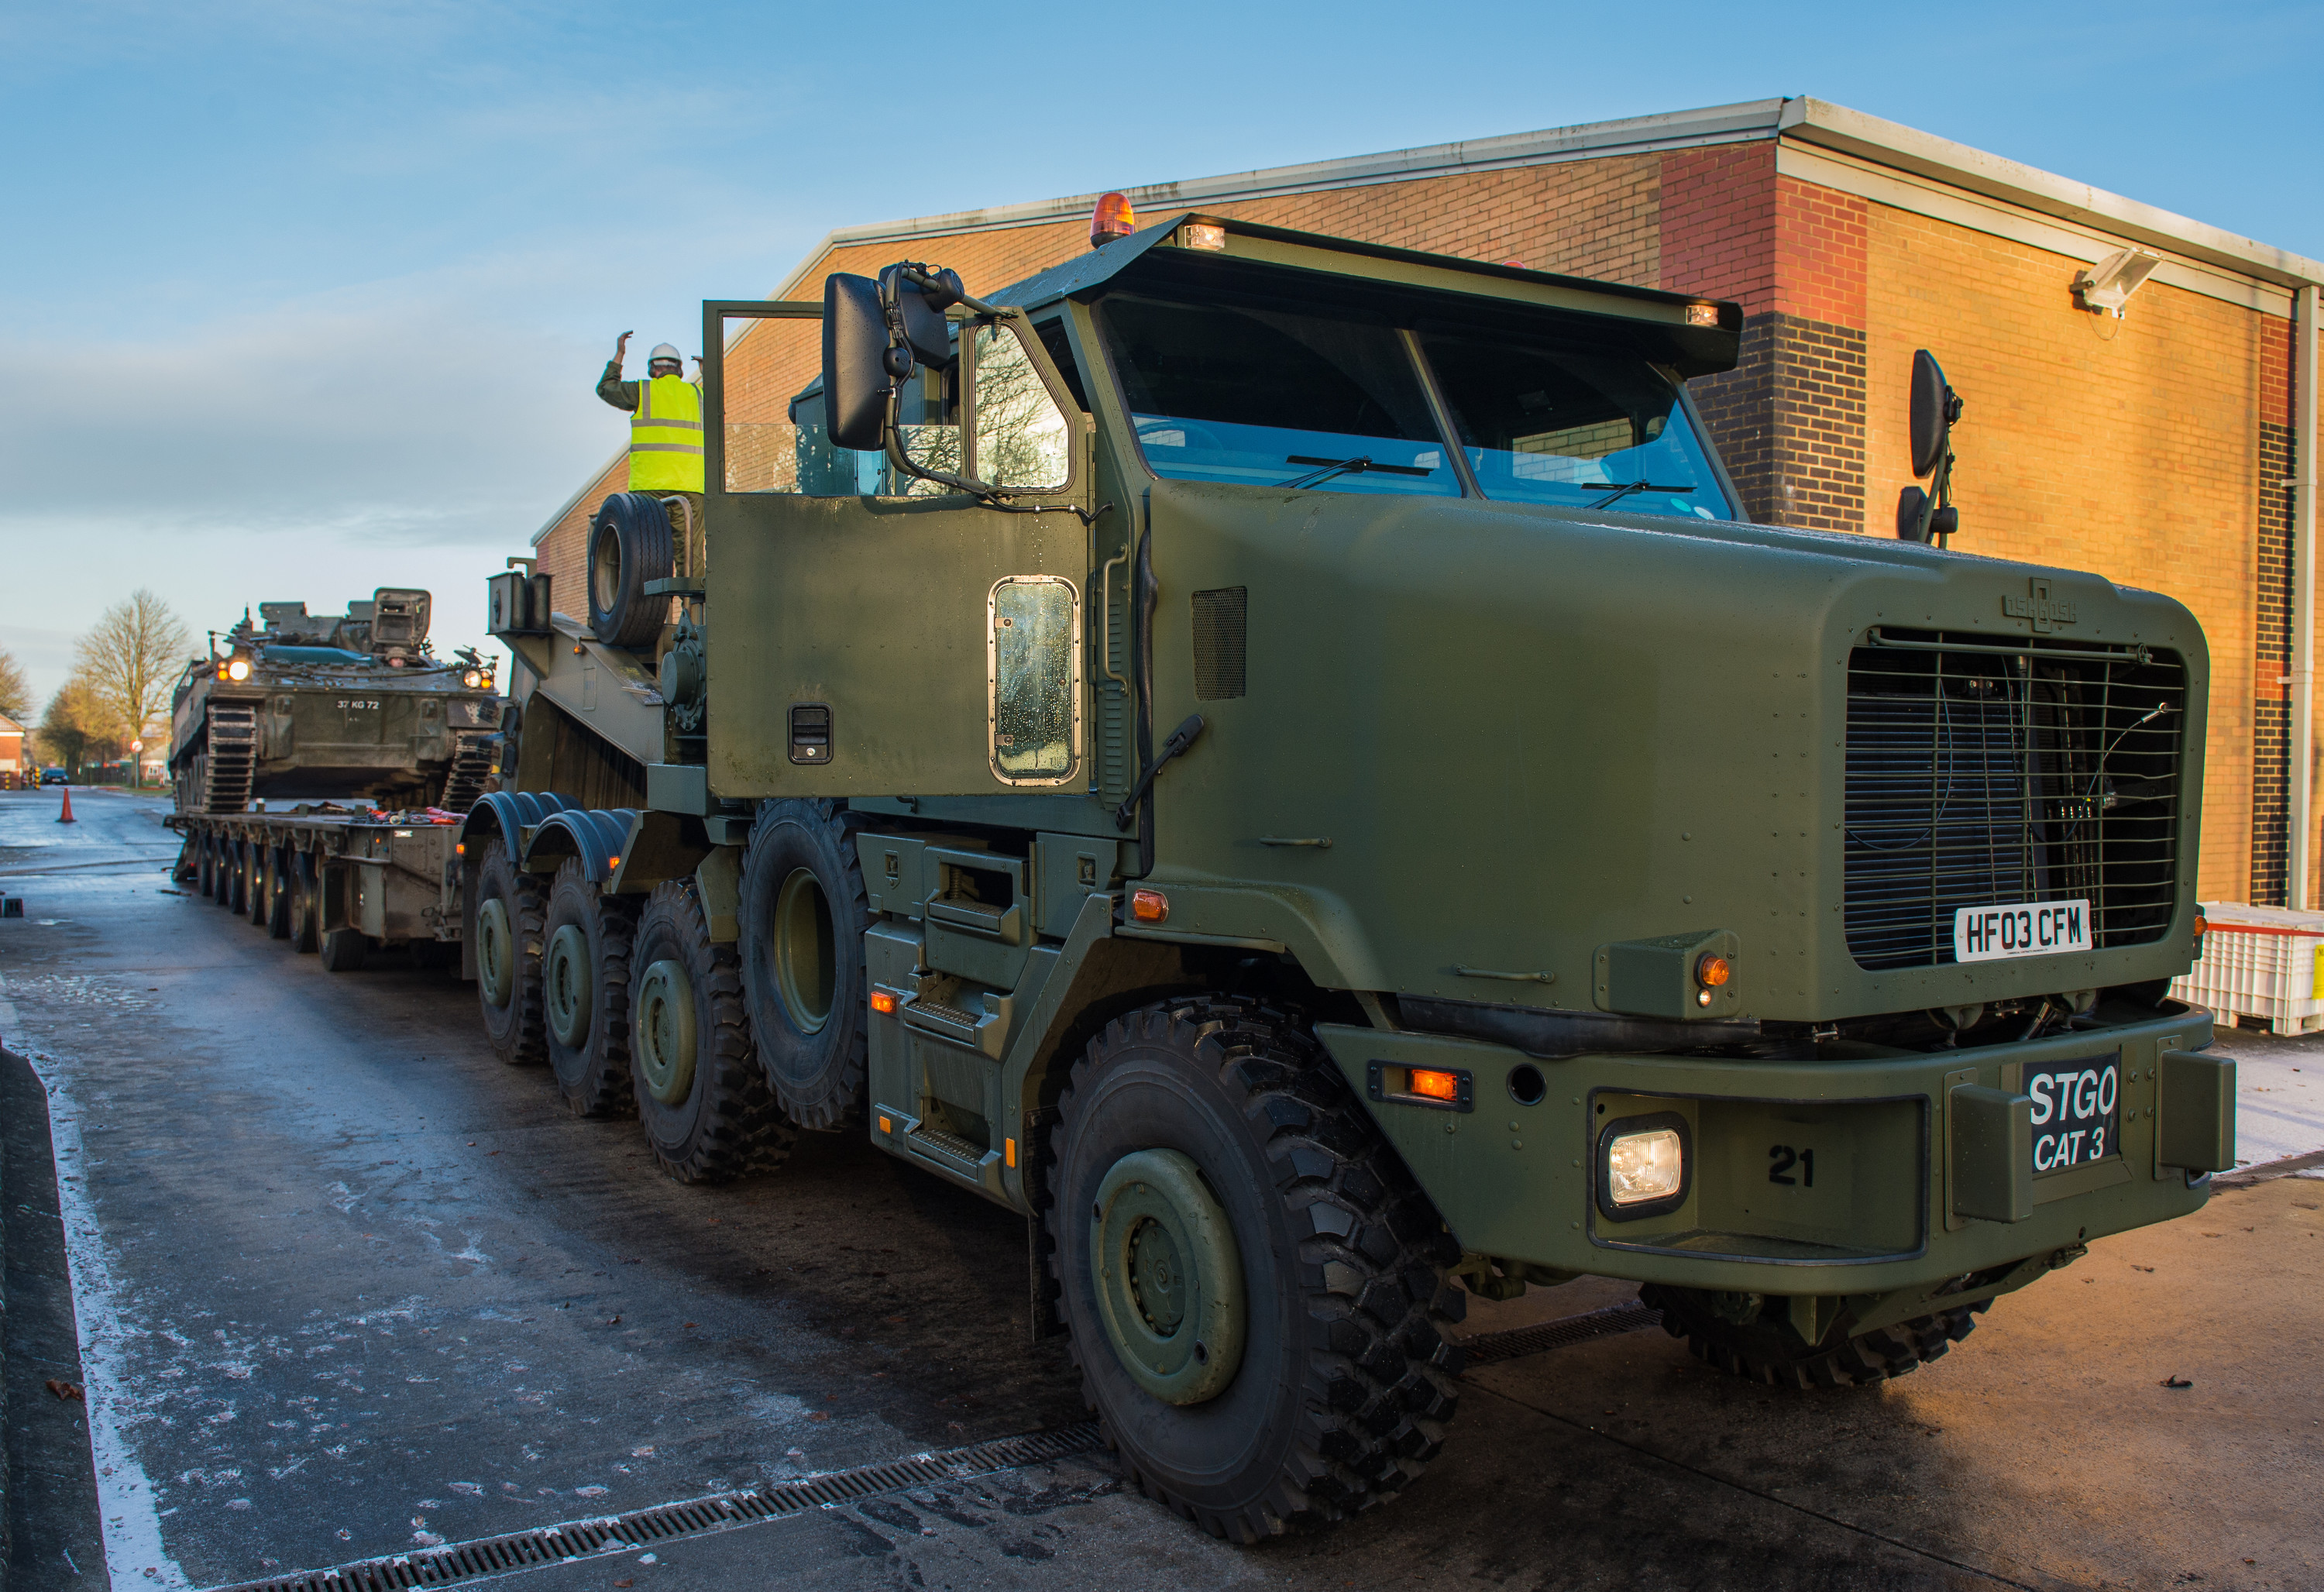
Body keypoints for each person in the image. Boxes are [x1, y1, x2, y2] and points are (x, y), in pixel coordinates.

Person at [597, 332, 705, 574]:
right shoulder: (697, 395)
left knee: (648, 552)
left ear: (652, 370)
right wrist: (708, 372)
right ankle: (695, 611)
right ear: (679, 369)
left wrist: (620, 354)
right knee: (691, 556)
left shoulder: (642, 391)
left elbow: (606, 389)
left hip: (649, 486)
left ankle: (649, 607)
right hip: (690, 486)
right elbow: (719, 410)